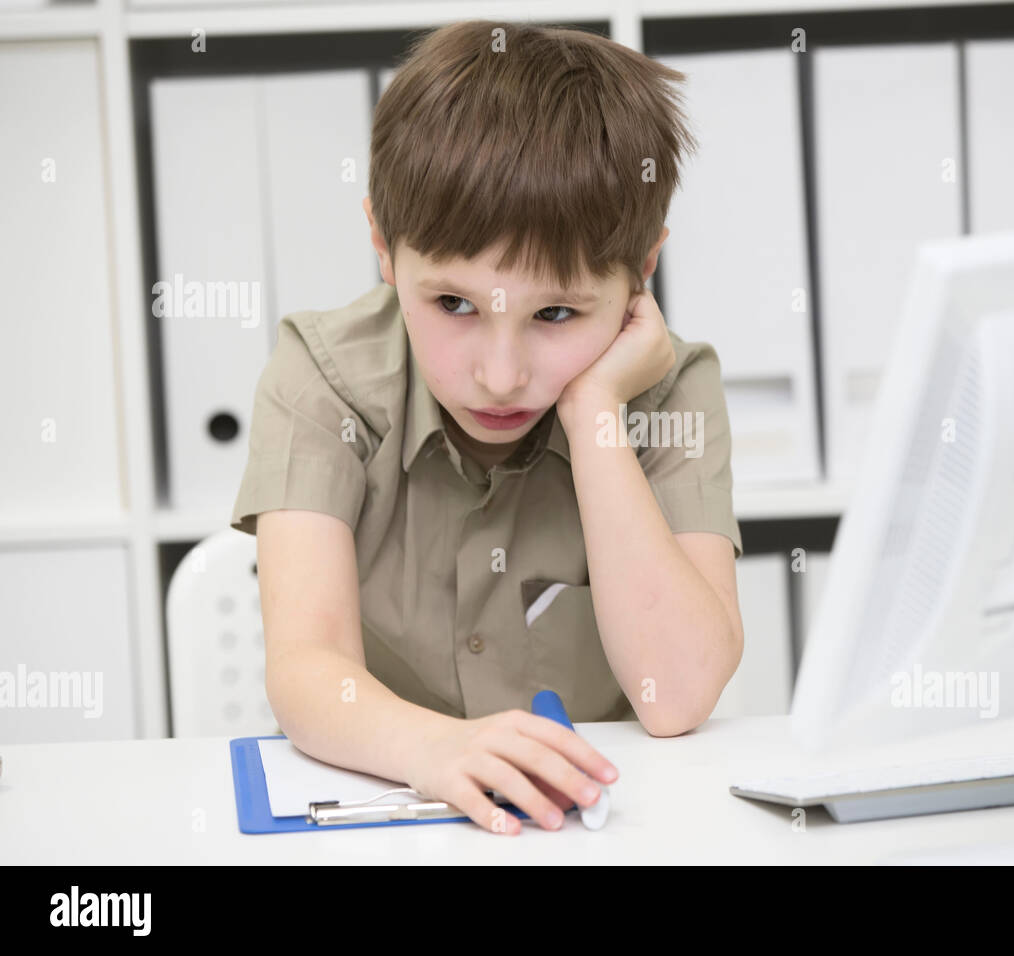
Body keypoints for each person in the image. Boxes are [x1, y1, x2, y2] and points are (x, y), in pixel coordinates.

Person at [231, 19, 744, 835]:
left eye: (556, 313)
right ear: (382, 247)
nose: (500, 374)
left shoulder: (671, 388)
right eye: (455, 305)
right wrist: (436, 748)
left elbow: (677, 695)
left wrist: (595, 413)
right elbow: (305, 668)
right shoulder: (322, 377)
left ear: (643, 268)